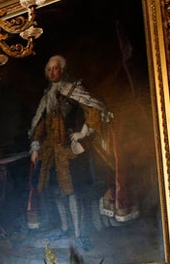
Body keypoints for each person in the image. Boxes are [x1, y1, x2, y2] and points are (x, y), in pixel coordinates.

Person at [27, 54, 132, 243]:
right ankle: (65, 228)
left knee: (72, 194)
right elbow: (40, 124)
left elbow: (93, 110)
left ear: (63, 70)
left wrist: (82, 133)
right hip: (51, 153)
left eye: (55, 68)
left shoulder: (74, 90)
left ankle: (78, 233)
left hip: (71, 152)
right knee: (57, 193)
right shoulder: (47, 96)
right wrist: (35, 148)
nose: (52, 72)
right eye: (49, 69)